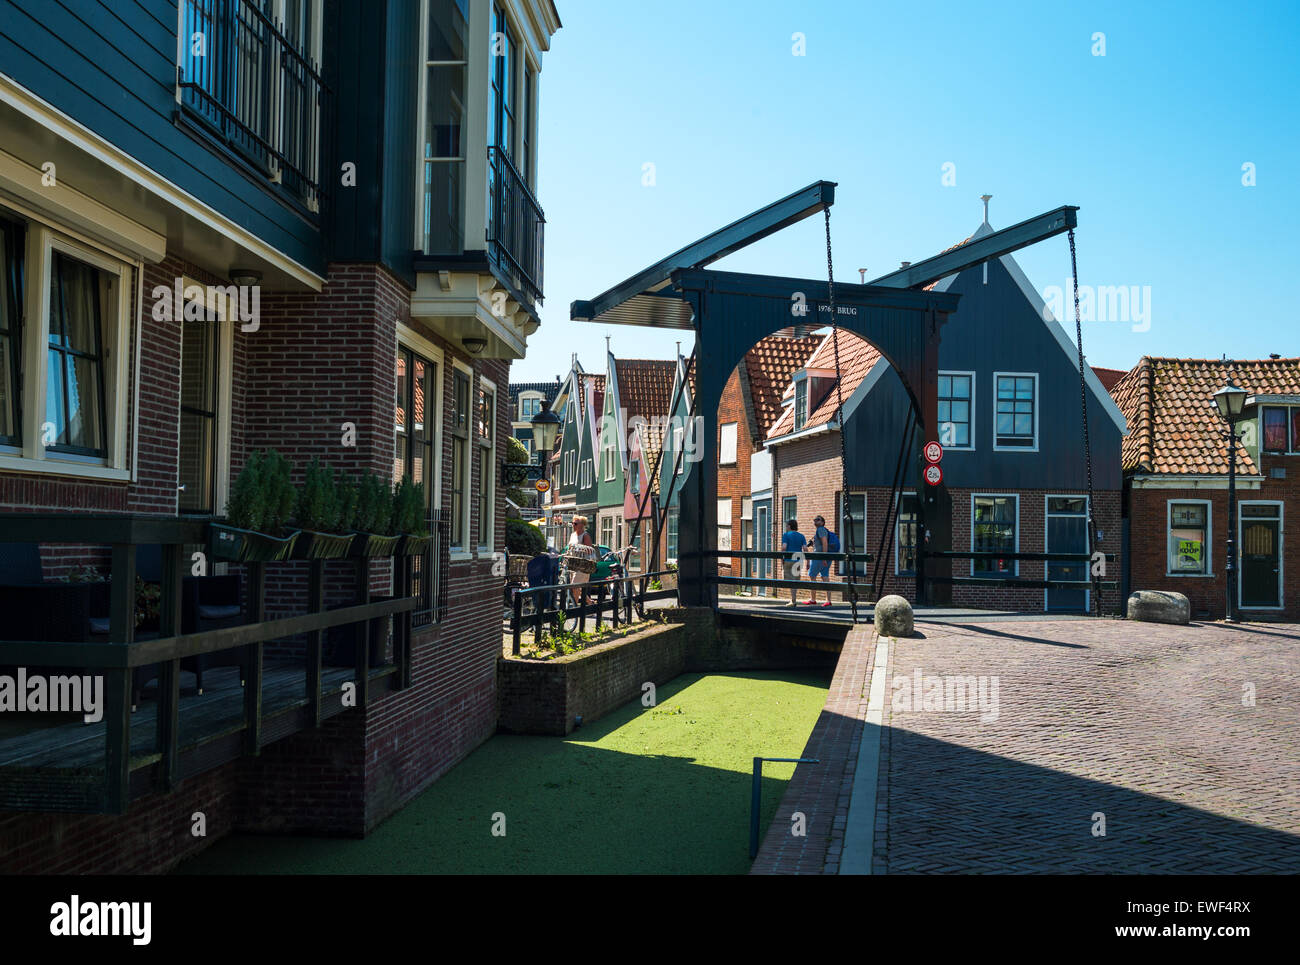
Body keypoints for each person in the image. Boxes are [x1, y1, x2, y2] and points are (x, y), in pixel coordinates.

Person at [565, 515, 596, 607]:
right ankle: (589, 602)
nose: (573, 525)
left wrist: (581, 549)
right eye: (572, 523)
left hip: (583, 566)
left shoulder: (585, 536)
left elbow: (590, 550)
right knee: (576, 587)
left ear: (582, 525)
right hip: (573, 564)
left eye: (575, 523)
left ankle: (574, 609)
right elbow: (569, 548)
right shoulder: (572, 535)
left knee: (574, 586)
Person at [781, 518, 807, 608]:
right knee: (795, 580)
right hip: (798, 561)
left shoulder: (786, 535)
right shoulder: (801, 536)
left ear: (789, 526)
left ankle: (793, 601)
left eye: (787, 525)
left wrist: (782, 558)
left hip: (788, 560)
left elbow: (784, 547)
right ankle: (793, 599)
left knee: (789, 580)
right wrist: (807, 561)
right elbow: (805, 549)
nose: (786, 527)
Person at [807, 514, 833, 607]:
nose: (815, 521)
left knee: (812, 576)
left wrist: (823, 556)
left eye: (818, 519)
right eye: (814, 519)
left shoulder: (821, 529)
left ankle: (813, 599)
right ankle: (828, 600)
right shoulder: (823, 530)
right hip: (825, 557)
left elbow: (824, 542)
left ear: (822, 522)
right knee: (825, 577)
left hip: (819, 557)